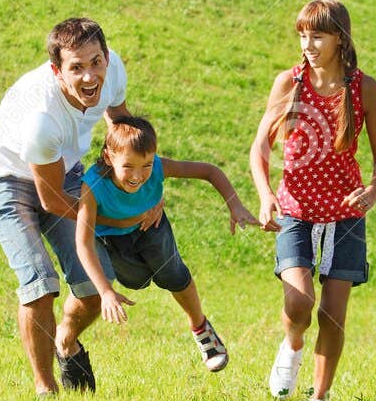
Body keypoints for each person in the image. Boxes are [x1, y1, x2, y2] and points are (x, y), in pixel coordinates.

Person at [0, 17, 145, 396]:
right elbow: (50, 200)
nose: (89, 77)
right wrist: (115, 215)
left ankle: (66, 341)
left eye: (95, 62)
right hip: (5, 177)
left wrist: (144, 191)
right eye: (76, 68)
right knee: (39, 283)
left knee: (94, 287)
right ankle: (46, 388)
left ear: (107, 56)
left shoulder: (112, 71)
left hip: (62, 170)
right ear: (57, 70)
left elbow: (123, 130)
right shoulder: (42, 119)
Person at [249, 0, 376, 401]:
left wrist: (373, 191)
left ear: (340, 40)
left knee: (332, 313)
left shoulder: (365, 88)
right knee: (299, 303)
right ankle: (292, 347)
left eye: (318, 36)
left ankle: (319, 399)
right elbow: (261, 146)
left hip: (346, 215)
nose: (308, 45)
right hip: (295, 209)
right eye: (303, 36)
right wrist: (264, 196)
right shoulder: (288, 82)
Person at [73, 114, 259, 371]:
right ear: (108, 157)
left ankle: (201, 328)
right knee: (135, 282)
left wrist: (234, 204)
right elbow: (83, 242)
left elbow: (209, 171)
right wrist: (105, 291)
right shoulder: (93, 186)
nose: (138, 176)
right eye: (128, 166)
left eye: (146, 165)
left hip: (153, 228)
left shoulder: (159, 167)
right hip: (113, 240)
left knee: (173, 275)